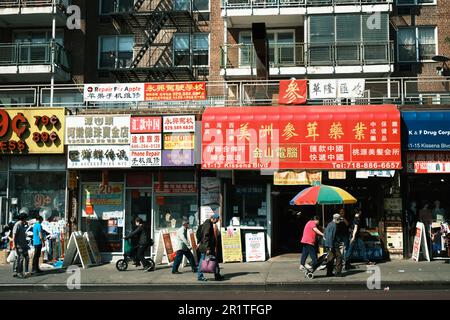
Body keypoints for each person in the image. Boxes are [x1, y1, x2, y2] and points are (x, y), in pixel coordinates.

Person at [197, 213, 224, 282]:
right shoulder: (208, 224)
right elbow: (206, 237)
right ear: (213, 218)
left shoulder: (210, 224)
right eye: (217, 219)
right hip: (206, 247)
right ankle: (200, 276)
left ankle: (217, 275)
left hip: (209, 247)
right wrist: (207, 248)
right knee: (202, 261)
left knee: (215, 261)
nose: (217, 221)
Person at [12, 213, 30, 279]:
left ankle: (25, 271)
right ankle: (19, 272)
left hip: (24, 245)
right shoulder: (17, 224)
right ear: (24, 219)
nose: (26, 220)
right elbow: (14, 235)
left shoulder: (22, 225)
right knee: (21, 259)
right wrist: (14, 244)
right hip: (19, 245)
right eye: (26, 219)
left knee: (27, 258)